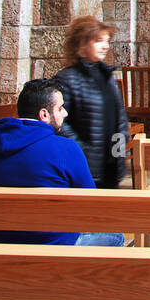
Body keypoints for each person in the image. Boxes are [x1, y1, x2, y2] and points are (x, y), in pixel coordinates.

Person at [0, 79, 125, 246]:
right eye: (60, 108)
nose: (65, 113)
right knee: (116, 236)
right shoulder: (66, 149)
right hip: (55, 249)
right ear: (44, 114)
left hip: (5, 246)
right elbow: (91, 205)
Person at [51, 16, 130, 189]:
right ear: (82, 44)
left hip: (111, 164)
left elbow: (119, 115)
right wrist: (83, 150)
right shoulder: (67, 79)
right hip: (86, 167)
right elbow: (59, 121)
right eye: (99, 41)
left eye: (107, 41)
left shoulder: (106, 75)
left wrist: (121, 144)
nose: (105, 46)